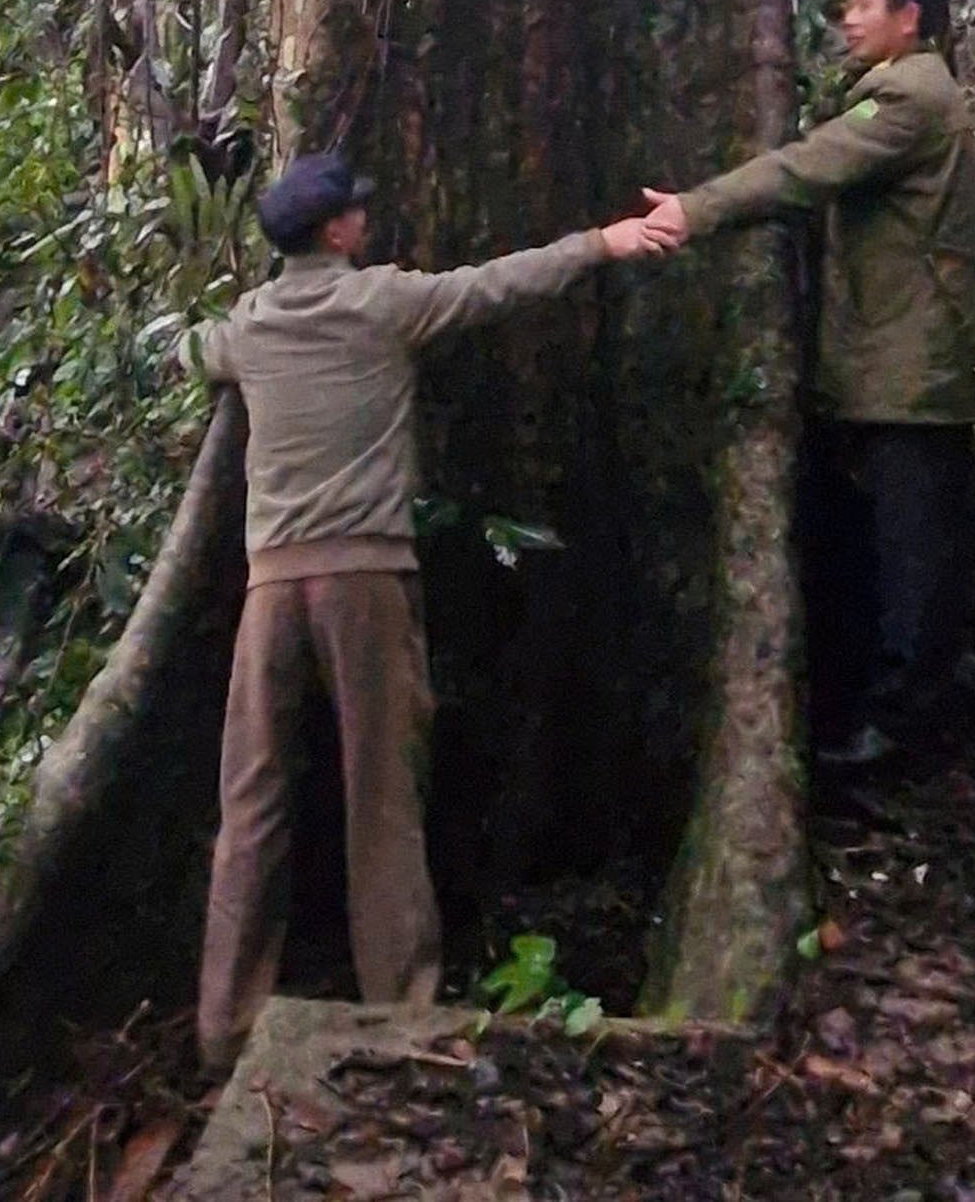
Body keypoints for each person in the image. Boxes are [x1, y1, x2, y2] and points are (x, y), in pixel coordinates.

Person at [195, 150, 660, 1075]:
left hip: (271, 589)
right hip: (363, 583)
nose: (367, 221)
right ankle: (401, 1007)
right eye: (356, 214)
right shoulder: (384, 304)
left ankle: (225, 1027)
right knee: (382, 794)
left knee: (252, 802)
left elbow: (192, 350)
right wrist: (602, 242)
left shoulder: (248, 325)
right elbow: (497, 287)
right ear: (335, 234)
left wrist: (191, 345)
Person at [640, 0, 975, 773]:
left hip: (913, 371)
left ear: (908, 19)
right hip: (896, 363)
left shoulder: (910, 96)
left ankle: (907, 728)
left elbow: (807, 168)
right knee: (882, 542)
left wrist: (695, 211)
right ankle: (886, 710)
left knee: (914, 553)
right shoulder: (908, 89)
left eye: (863, 6)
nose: (846, 19)